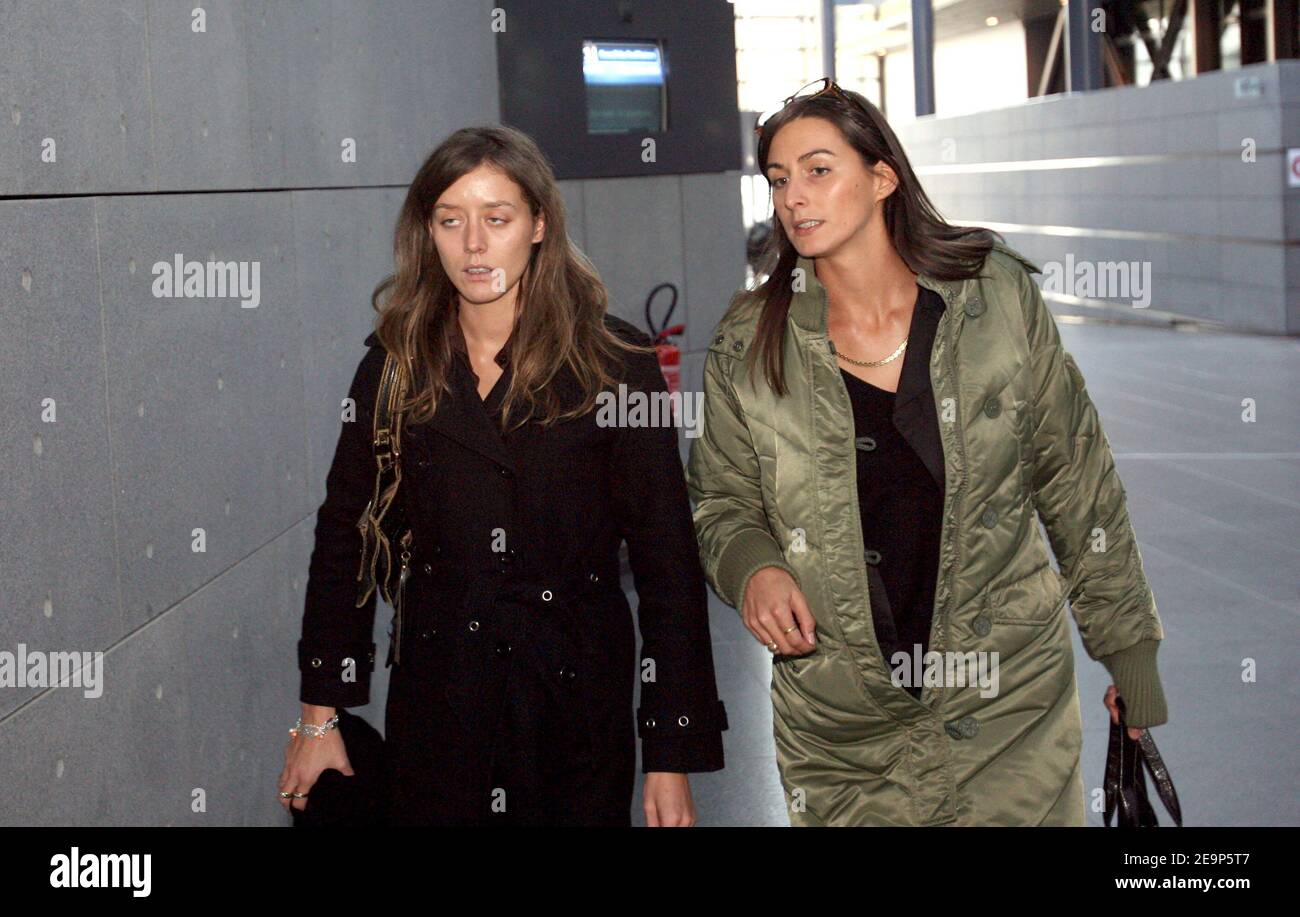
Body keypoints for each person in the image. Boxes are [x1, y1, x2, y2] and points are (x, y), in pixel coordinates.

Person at [686, 79, 1168, 826]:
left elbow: (1076, 478)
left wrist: (1128, 652)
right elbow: (721, 499)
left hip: (1007, 702)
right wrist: (755, 565)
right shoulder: (751, 341)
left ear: (883, 177)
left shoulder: (994, 300)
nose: (793, 197)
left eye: (818, 170)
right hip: (844, 728)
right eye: (778, 179)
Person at [279, 125, 728, 826]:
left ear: (539, 224)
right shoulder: (394, 366)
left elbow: (667, 565)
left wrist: (670, 751)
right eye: (450, 221)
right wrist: (318, 713)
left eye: (497, 218)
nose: (474, 245)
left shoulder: (615, 363)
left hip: (573, 713)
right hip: (439, 709)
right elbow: (346, 539)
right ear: (427, 233)